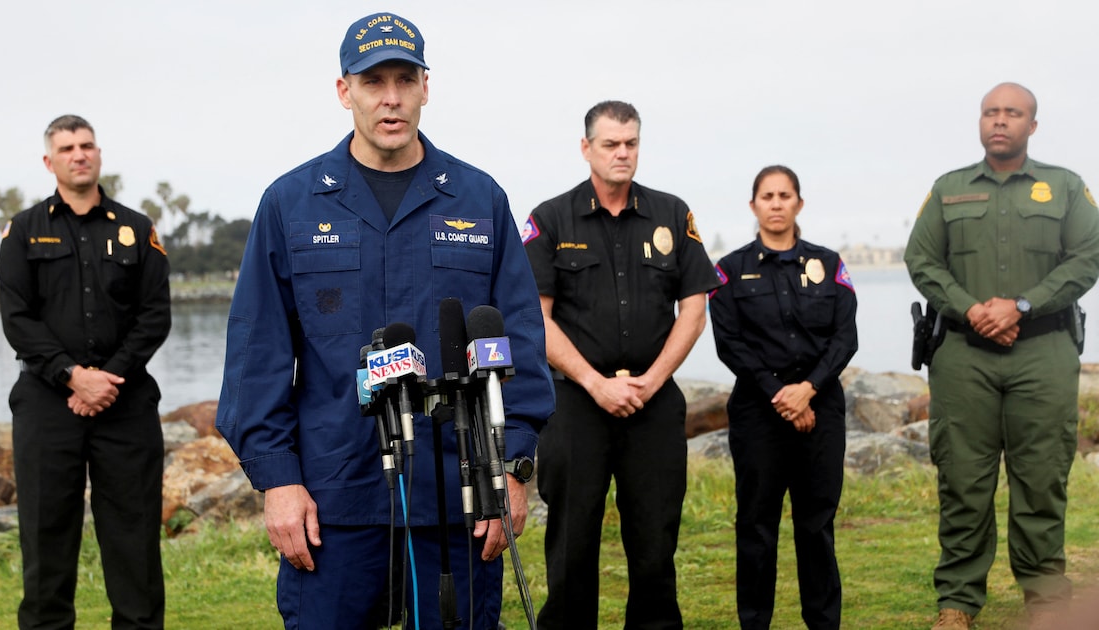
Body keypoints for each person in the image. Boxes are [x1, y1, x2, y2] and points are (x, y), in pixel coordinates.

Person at [215, 12, 554, 629]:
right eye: (373, 81)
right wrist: (277, 482)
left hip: (459, 495)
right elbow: (256, 356)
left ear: (428, 86)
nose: (390, 98)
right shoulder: (290, 204)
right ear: (344, 91)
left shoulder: (480, 201)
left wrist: (514, 467)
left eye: (404, 78)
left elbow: (521, 343)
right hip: (333, 496)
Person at [905, 82, 1099, 630]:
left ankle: (1046, 600)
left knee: (1041, 477)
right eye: (991, 112)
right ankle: (958, 602)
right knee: (964, 479)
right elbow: (921, 259)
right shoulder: (949, 189)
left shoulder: (1065, 187)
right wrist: (972, 311)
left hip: (1043, 351)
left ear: (1031, 126)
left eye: (1013, 113)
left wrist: (1021, 306)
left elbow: (1089, 256)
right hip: (965, 355)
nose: (1000, 121)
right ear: (980, 122)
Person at [522, 100, 720, 629]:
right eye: (610, 143)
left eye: (631, 142)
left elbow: (695, 308)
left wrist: (651, 382)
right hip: (574, 403)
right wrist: (593, 382)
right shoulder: (549, 218)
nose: (622, 153)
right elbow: (536, 320)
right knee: (571, 543)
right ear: (586, 148)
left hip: (652, 405)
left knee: (656, 543)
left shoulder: (672, 214)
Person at [0, 114, 172, 629]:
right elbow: (17, 317)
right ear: (49, 161)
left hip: (126, 405)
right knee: (46, 541)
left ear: (99, 155)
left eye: (87, 145)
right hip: (47, 406)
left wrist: (107, 378)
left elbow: (154, 315)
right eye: (68, 147)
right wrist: (72, 375)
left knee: (134, 541)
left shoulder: (137, 229)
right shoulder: (24, 231)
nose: (79, 154)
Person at [708, 165, 858, 629]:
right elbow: (730, 344)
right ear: (753, 205)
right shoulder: (730, 270)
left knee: (816, 526)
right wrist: (781, 395)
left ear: (799, 203)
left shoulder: (830, 263)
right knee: (756, 528)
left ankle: (824, 622)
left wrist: (808, 389)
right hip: (758, 412)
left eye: (785, 195)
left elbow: (845, 336)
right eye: (767, 196)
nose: (776, 203)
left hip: (821, 409)